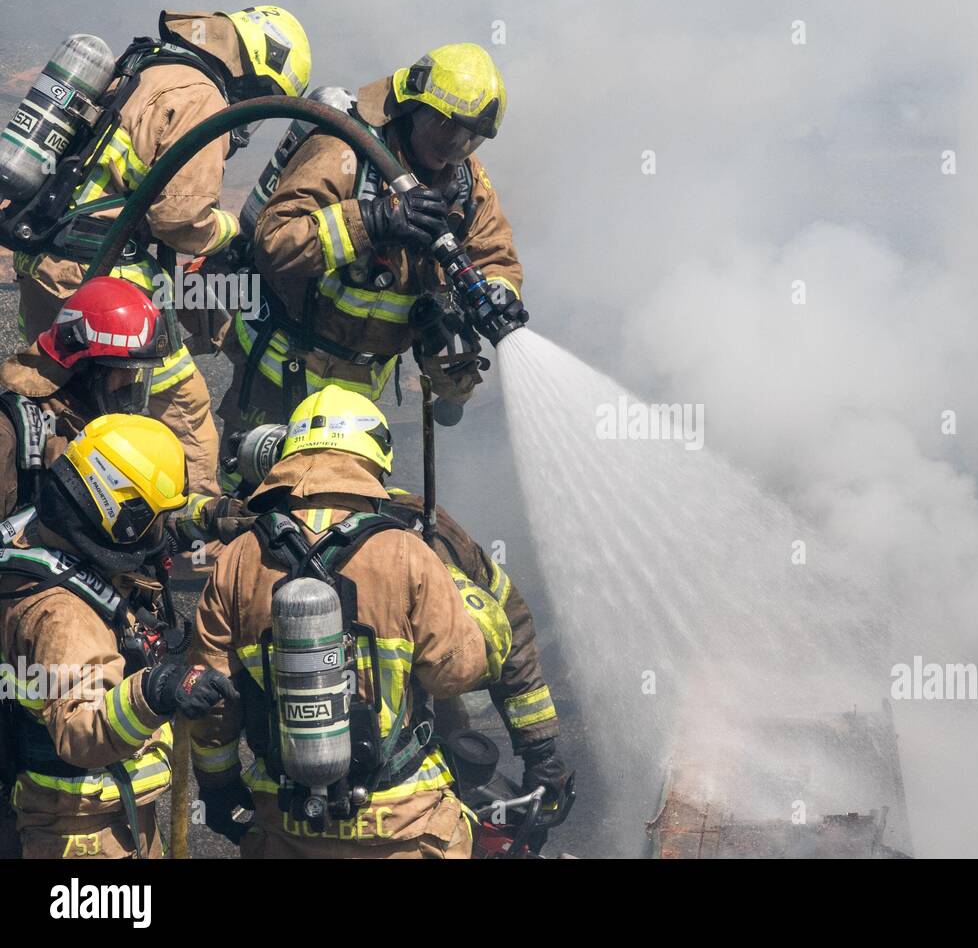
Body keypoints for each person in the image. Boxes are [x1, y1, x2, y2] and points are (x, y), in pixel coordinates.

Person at [188, 387, 565, 857]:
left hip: (286, 822)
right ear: (377, 455)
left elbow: (208, 701)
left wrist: (219, 789)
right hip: (404, 822)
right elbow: (457, 672)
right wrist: (473, 614)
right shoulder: (409, 546)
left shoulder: (239, 557)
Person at [12, 6, 313, 497]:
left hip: (50, 262)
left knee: (73, 399)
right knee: (186, 414)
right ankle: (194, 541)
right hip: (100, 273)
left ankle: (63, 510)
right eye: (264, 95)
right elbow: (181, 220)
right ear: (260, 71)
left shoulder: (151, 66)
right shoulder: (202, 96)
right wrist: (232, 231)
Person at [220, 42, 523, 478]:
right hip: (282, 372)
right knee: (254, 493)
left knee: (342, 505)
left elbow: (494, 252)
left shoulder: (466, 181)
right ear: (413, 107)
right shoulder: (344, 149)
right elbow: (276, 239)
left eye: (470, 136)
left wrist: (498, 290)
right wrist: (371, 220)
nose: (456, 146)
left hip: (360, 395)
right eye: (445, 129)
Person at [0, 414, 238, 858]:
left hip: (108, 811)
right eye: (157, 522)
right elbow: (81, 729)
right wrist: (156, 690)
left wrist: (207, 517)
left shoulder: (40, 534)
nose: (165, 535)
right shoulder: (62, 617)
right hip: (81, 833)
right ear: (118, 518)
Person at [0, 276, 253, 544]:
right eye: (124, 374)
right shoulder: (13, 432)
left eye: (140, 375)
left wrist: (210, 514)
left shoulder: (100, 425)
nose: (132, 386)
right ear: (86, 367)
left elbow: (146, 512)